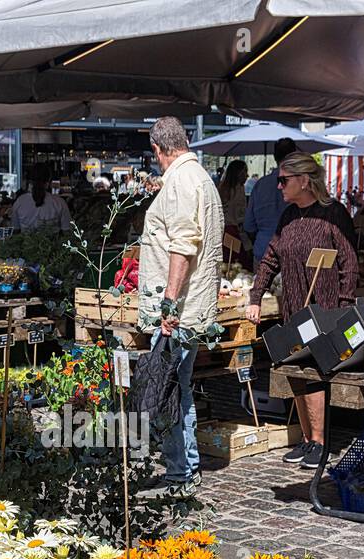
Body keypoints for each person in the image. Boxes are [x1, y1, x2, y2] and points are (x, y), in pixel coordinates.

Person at [246, 153, 359, 471]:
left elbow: (349, 264)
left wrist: (345, 306)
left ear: (304, 181)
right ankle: (307, 439)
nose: (278, 186)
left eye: (284, 180)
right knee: (296, 371)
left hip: (325, 310)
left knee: (314, 374)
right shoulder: (288, 215)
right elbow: (270, 257)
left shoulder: (333, 214)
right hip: (293, 307)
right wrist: (256, 296)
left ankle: (320, 443)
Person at [137, 117, 224, 498]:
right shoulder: (201, 178)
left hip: (179, 309)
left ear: (158, 150)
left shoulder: (181, 181)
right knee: (179, 386)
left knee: (170, 387)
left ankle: (181, 472)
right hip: (192, 306)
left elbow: (182, 246)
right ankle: (183, 468)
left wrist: (168, 304)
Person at [243, 137, 297, 267]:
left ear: (274, 157)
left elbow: (249, 225)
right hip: (292, 252)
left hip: (264, 248)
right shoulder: (300, 185)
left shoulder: (260, 185)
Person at [11, 164, 72, 231]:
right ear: (49, 180)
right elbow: (67, 231)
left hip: (26, 241)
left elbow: (15, 230)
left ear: (29, 180)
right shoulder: (59, 203)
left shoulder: (20, 202)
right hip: (53, 241)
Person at [217, 159, 250, 269]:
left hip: (225, 230)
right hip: (233, 231)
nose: (247, 175)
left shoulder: (223, 188)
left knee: (228, 262)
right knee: (236, 263)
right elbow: (241, 214)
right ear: (238, 173)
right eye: (245, 172)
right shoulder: (237, 189)